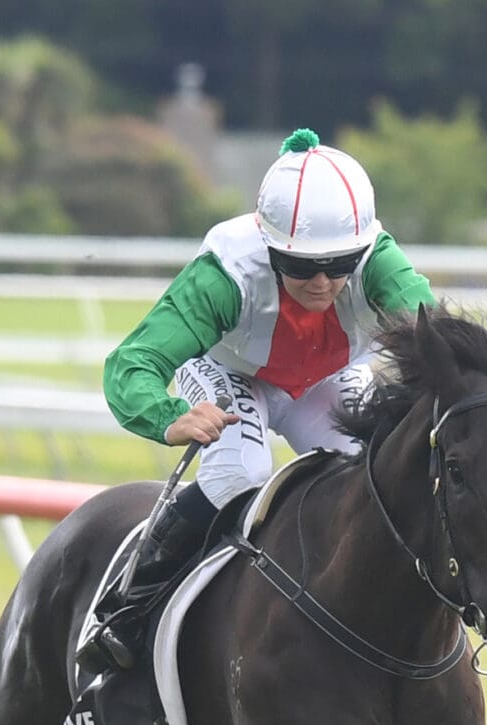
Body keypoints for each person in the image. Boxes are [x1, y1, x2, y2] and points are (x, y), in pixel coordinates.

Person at [75, 128, 438, 677]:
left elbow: (441, 343)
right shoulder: (225, 275)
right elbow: (132, 362)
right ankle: (128, 609)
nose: (322, 283)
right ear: (270, 250)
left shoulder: (381, 263)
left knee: (374, 473)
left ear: (362, 250)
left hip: (324, 378)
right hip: (230, 373)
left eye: (340, 264)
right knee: (240, 473)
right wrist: (171, 416)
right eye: (301, 267)